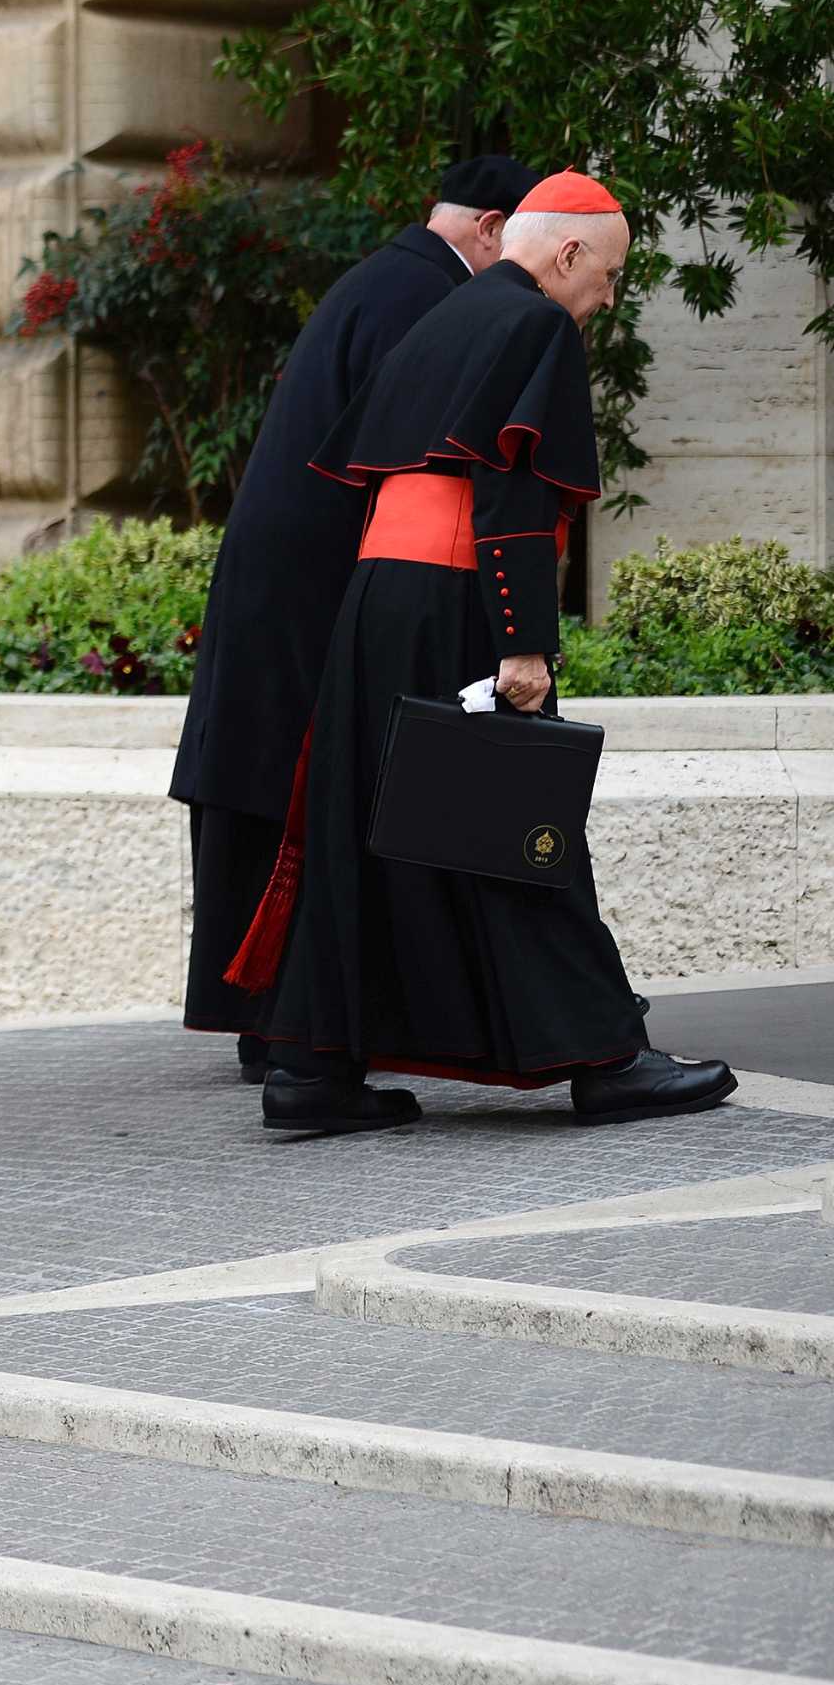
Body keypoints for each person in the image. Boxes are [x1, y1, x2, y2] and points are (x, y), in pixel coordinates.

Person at [227, 173, 736, 1133]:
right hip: (457, 592)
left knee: (361, 827)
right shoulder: (537, 325)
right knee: (518, 819)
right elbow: (511, 486)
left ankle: (310, 1069)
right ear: (569, 254)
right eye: (613, 277)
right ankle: (607, 1056)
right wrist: (526, 648)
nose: (609, 299)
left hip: (379, 598)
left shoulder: (449, 314)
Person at [175, 155, 542, 1078]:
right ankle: (295, 1030)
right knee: (305, 793)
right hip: (325, 584)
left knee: (279, 791)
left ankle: (287, 1027)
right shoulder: (427, 295)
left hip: (291, 579)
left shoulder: (390, 279)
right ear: (494, 229)